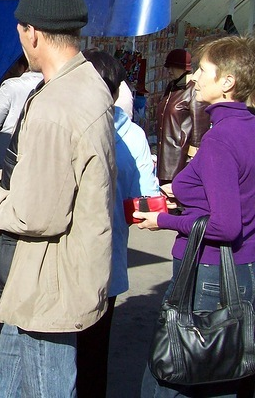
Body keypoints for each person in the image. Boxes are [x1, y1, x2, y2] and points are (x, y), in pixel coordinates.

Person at [0, 0, 116, 397]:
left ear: (32, 34)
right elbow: (42, 170)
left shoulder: (58, 103)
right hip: (35, 283)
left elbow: (37, 212)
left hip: (48, 289)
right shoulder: (81, 84)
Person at [135, 35, 255, 398]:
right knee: (222, 368)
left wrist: (164, 221)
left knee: (176, 369)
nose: (193, 78)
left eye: (203, 70)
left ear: (227, 83)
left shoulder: (221, 139)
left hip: (207, 273)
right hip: (243, 269)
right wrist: (187, 194)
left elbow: (224, 224)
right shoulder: (247, 127)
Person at [78, 50, 160, 398]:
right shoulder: (135, 136)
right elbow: (144, 204)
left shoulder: (73, 127)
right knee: (95, 353)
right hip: (108, 261)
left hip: (65, 262)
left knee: (58, 354)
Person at [155, 48, 210, 185]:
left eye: (172, 67)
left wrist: (192, 159)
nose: (169, 71)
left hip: (179, 158)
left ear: (182, 68)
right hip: (164, 155)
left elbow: (199, 128)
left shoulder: (193, 90)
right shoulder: (172, 87)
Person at [0, 54, 43, 170]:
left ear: (23, 67)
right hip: (34, 158)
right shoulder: (51, 84)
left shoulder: (12, 85)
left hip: (4, 157)